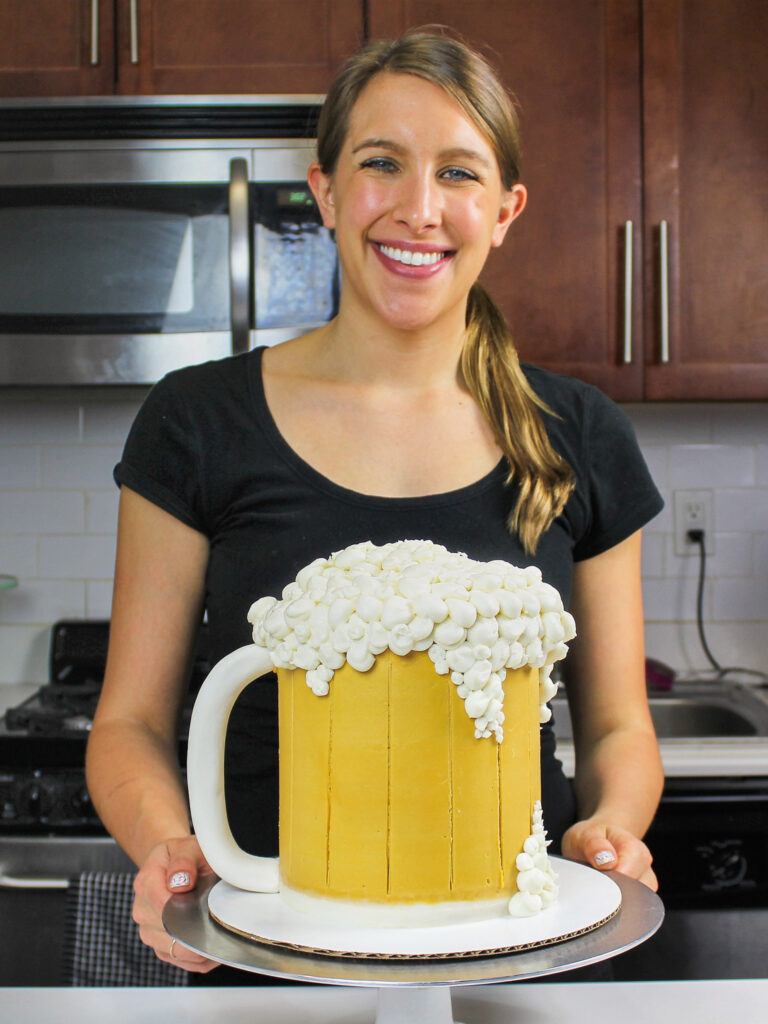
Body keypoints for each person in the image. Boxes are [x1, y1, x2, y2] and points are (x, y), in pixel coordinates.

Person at [86, 30, 664, 977]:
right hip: (267, 947)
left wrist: (611, 827)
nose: (418, 208)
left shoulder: (582, 433)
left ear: (506, 210)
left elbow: (616, 729)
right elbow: (131, 726)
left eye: (459, 173)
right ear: (324, 191)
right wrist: (169, 848)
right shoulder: (195, 422)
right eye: (381, 163)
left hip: (514, 945)